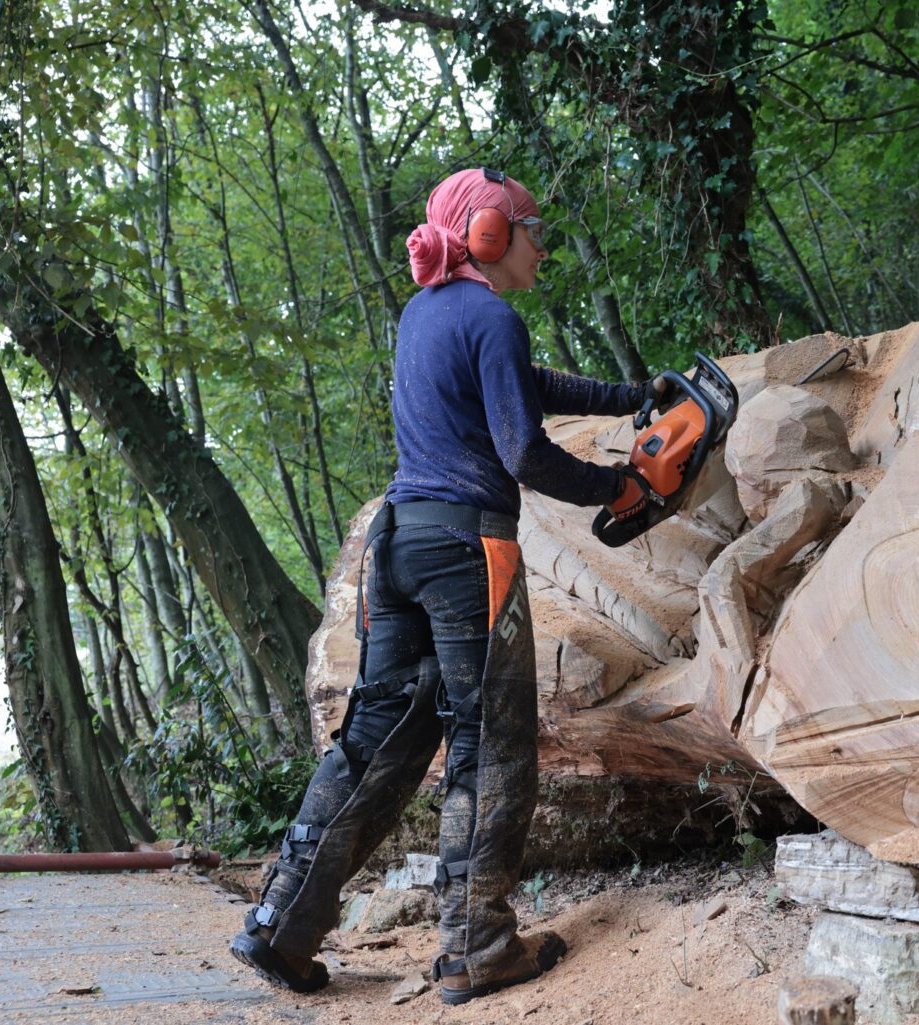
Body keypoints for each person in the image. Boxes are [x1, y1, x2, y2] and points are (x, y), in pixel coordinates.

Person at [229, 167, 658, 1006]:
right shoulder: (493, 315)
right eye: (535, 229)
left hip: (394, 547)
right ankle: (477, 948)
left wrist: (632, 399)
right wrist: (618, 486)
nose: (544, 245)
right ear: (492, 232)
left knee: (376, 737)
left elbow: (527, 386)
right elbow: (524, 452)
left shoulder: (425, 315)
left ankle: (279, 926)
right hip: (469, 551)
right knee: (491, 742)